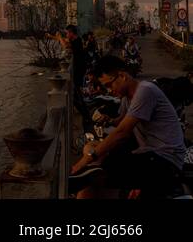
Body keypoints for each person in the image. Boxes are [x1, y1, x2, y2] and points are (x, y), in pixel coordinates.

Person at [71, 55, 187, 198]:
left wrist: (85, 160)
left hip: (165, 159)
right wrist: (108, 120)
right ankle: (90, 173)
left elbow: (122, 132)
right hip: (147, 153)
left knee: (94, 170)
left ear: (122, 76)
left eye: (109, 85)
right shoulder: (127, 98)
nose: (109, 91)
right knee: (91, 148)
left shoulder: (145, 90)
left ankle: (88, 173)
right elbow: (121, 122)